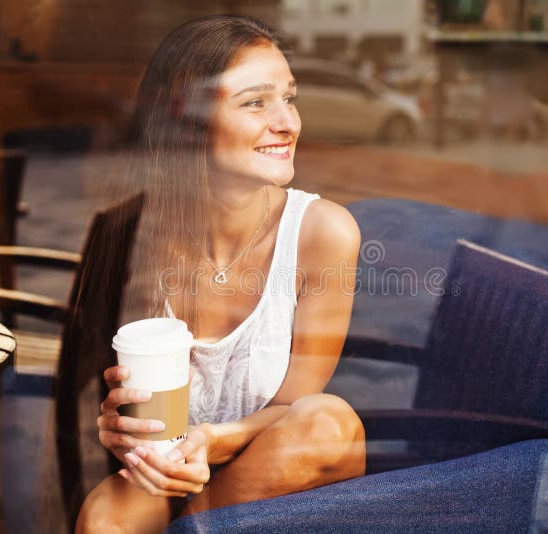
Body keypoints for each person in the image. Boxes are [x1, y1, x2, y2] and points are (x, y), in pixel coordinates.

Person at [77, 15, 365, 533]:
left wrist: (214, 440)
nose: (289, 123)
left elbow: (295, 409)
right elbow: (110, 391)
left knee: (328, 422)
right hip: (179, 470)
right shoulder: (131, 234)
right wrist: (117, 424)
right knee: (105, 516)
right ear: (186, 119)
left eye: (289, 98)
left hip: (280, 473)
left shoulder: (323, 232)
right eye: (256, 102)